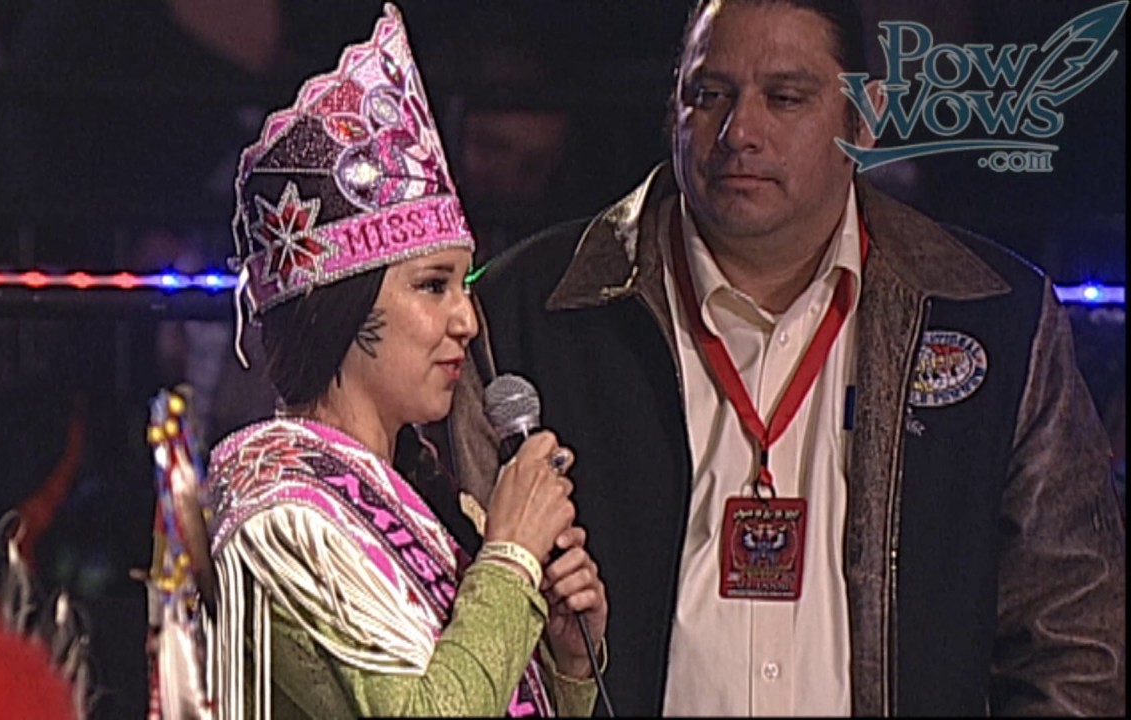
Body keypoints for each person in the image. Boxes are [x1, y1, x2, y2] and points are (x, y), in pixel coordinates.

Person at [446, 0, 1126, 716]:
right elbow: (451, 620)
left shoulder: (994, 318)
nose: (740, 133)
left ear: (865, 115)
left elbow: (1074, 644)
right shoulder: (524, 314)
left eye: (785, 97)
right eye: (709, 95)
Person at [199, 5, 608, 717]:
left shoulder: (420, 499)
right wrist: (509, 558)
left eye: (464, 286)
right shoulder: (281, 518)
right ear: (345, 308)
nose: (466, 320)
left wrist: (567, 664)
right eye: (431, 286)